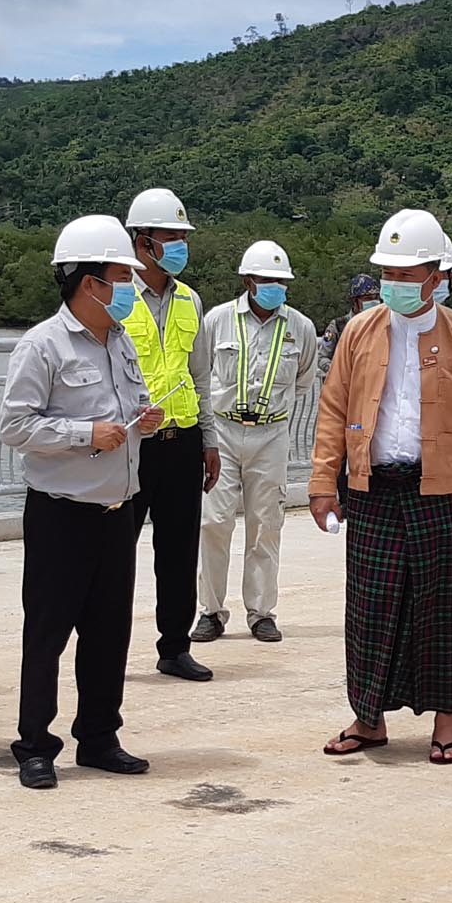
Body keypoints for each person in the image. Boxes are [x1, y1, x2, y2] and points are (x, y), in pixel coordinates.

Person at [310, 208, 452, 764]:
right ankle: (367, 719)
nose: (394, 283)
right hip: (371, 489)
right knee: (370, 606)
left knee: (438, 606)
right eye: (388, 273)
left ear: (435, 275)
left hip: (436, 492)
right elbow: (333, 409)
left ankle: (445, 721)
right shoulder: (359, 331)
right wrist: (325, 480)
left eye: (407, 272)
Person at [1, 215, 165, 790]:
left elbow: (127, 409)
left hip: (118, 510)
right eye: (122, 275)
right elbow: (16, 426)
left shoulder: (120, 342)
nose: (130, 286)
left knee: (109, 630)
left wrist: (142, 423)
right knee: (47, 632)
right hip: (61, 512)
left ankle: (99, 737)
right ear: (88, 281)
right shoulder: (42, 345)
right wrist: (84, 434)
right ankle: (35, 745)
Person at [191, 241, 321, 645]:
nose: (274, 287)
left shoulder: (300, 327)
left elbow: (303, 380)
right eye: (266, 280)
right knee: (214, 522)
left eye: (280, 282)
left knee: (266, 524)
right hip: (224, 432)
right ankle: (210, 611)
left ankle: (261, 612)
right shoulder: (218, 321)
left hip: (271, 433)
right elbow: (201, 374)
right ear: (248, 280)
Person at [122, 187, 216, 682]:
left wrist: (209, 439)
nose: (180, 245)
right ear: (143, 240)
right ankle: (108, 646)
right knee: (116, 552)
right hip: (131, 446)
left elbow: (200, 374)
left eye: (183, 236)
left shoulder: (189, 300)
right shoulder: (117, 296)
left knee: (178, 551)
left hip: (181, 440)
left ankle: (174, 647)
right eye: (171, 236)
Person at [319, 273, 382, 371]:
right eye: (368, 298)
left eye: (376, 297)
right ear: (354, 301)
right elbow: (322, 357)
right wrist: (337, 372)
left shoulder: (384, 324)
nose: (374, 301)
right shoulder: (338, 326)